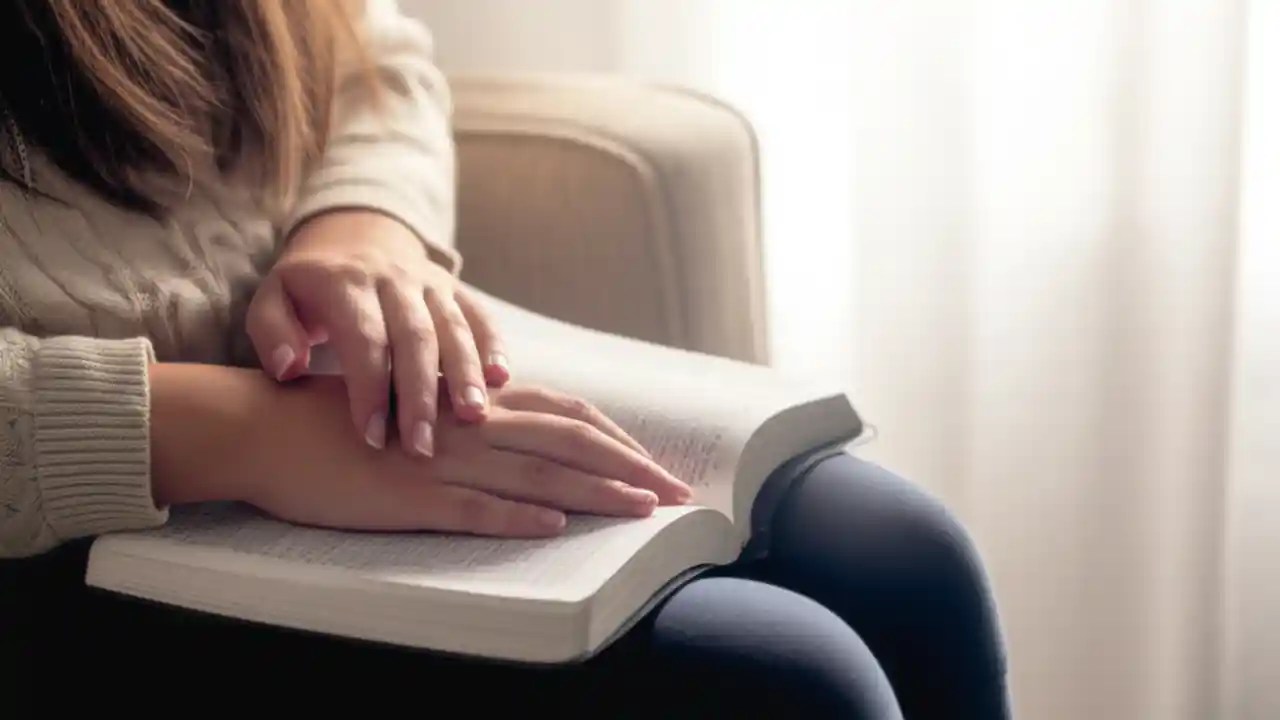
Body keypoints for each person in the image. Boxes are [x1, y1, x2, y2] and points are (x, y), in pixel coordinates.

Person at [0, 1, 1010, 716]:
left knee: (907, 560)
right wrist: (245, 437)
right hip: (64, 537)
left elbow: (366, 56)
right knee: (789, 683)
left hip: (309, 387)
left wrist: (361, 229)